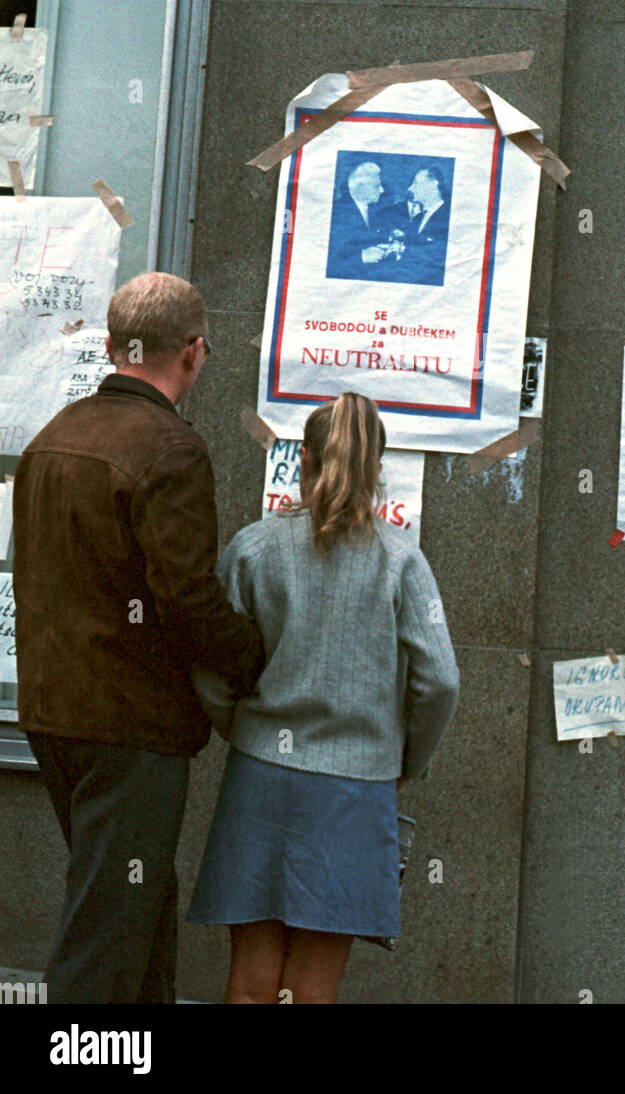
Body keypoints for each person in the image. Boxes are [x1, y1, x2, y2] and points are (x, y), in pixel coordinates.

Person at [12, 273, 266, 1004]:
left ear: (110, 344)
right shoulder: (169, 449)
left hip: (53, 711)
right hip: (130, 721)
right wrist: (252, 659)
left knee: (138, 904)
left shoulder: (55, 437)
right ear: (192, 352)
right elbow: (187, 597)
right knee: (109, 928)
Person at [186, 391, 460, 1004]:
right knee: (313, 988)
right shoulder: (403, 561)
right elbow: (441, 678)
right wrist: (401, 761)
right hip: (356, 787)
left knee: (252, 980)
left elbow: (212, 662)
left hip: (261, 775)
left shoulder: (254, 548)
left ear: (301, 459)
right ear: (378, 469)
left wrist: (244, 729)